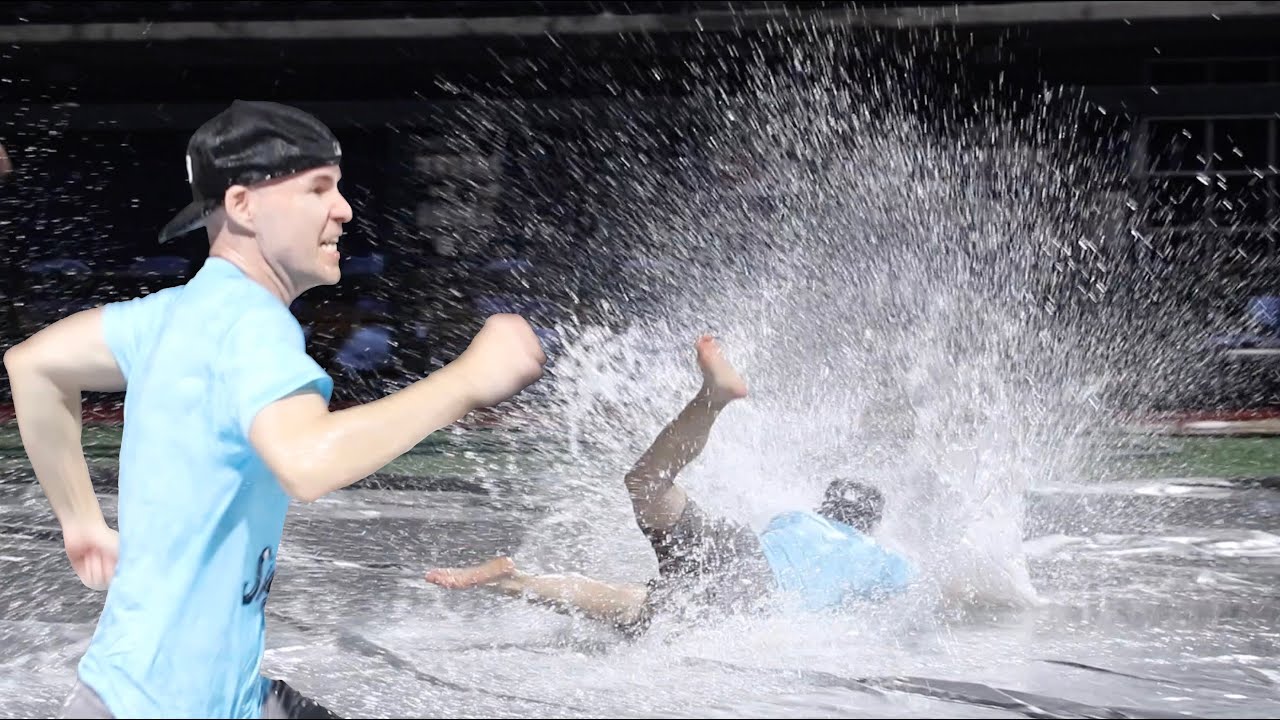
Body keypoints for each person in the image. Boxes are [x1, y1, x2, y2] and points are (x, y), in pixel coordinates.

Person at [3, 100, 547, 719]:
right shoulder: (252, 327)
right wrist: (466, 381)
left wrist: (81, 521)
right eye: (318, 188)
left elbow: (33, 364)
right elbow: (307, 462)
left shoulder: (173, 313)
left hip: (153, 694)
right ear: (243, 205)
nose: (344, 209)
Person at [426, 335, 914, 636]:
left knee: (648, 484)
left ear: (827, 508)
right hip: (754, 593)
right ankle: (514, 581)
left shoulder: (800, 519)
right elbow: (924, 597)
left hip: (736, 550)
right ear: (870, 524)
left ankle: (712, 399)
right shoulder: (885, 562)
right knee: (635, 610)